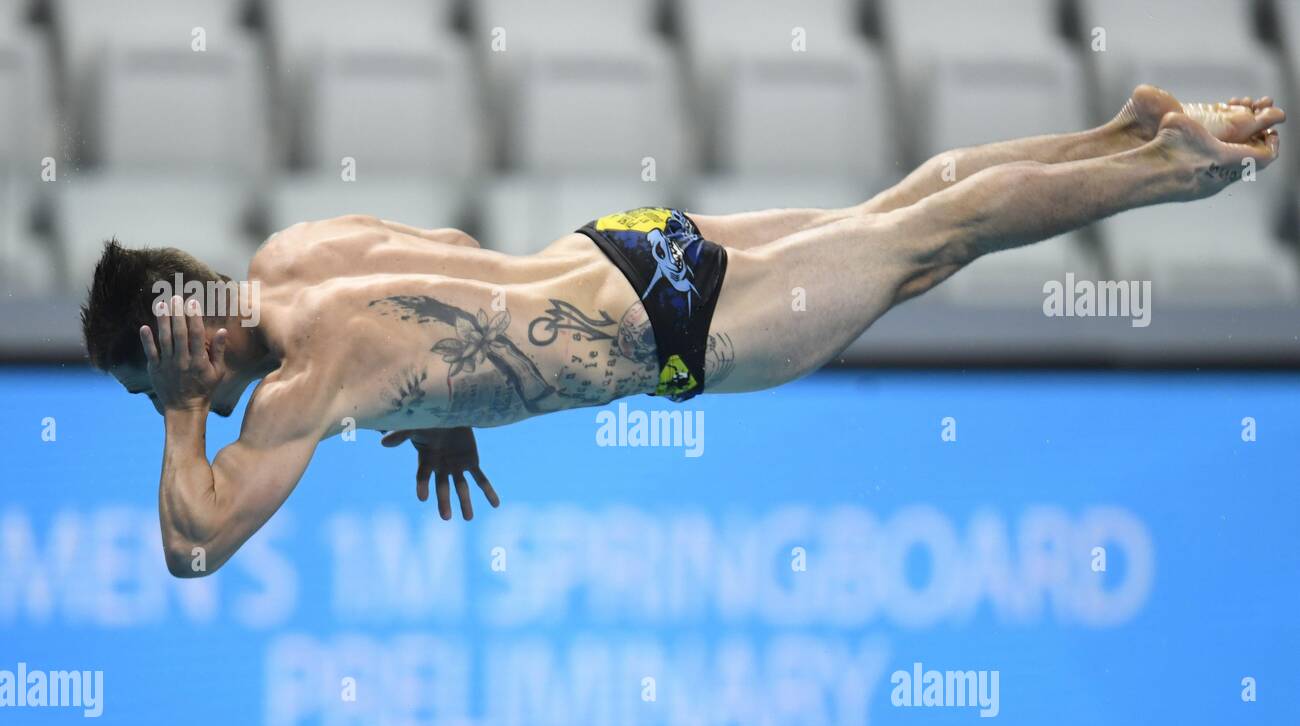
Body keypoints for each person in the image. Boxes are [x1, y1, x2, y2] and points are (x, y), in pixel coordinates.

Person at [78, 86, 1283, 577]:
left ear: (185, 336)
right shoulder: (297, 254)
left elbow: (196, 546)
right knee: (901, 222)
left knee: (928, 240)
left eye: (151, 380)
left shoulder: (296, 383)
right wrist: (442, 406)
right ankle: (1117, 133)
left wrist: (181, 416)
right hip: (622, 248)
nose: (177, 402)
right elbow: (443, 265)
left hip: (664, 326)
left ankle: (1168, 168)